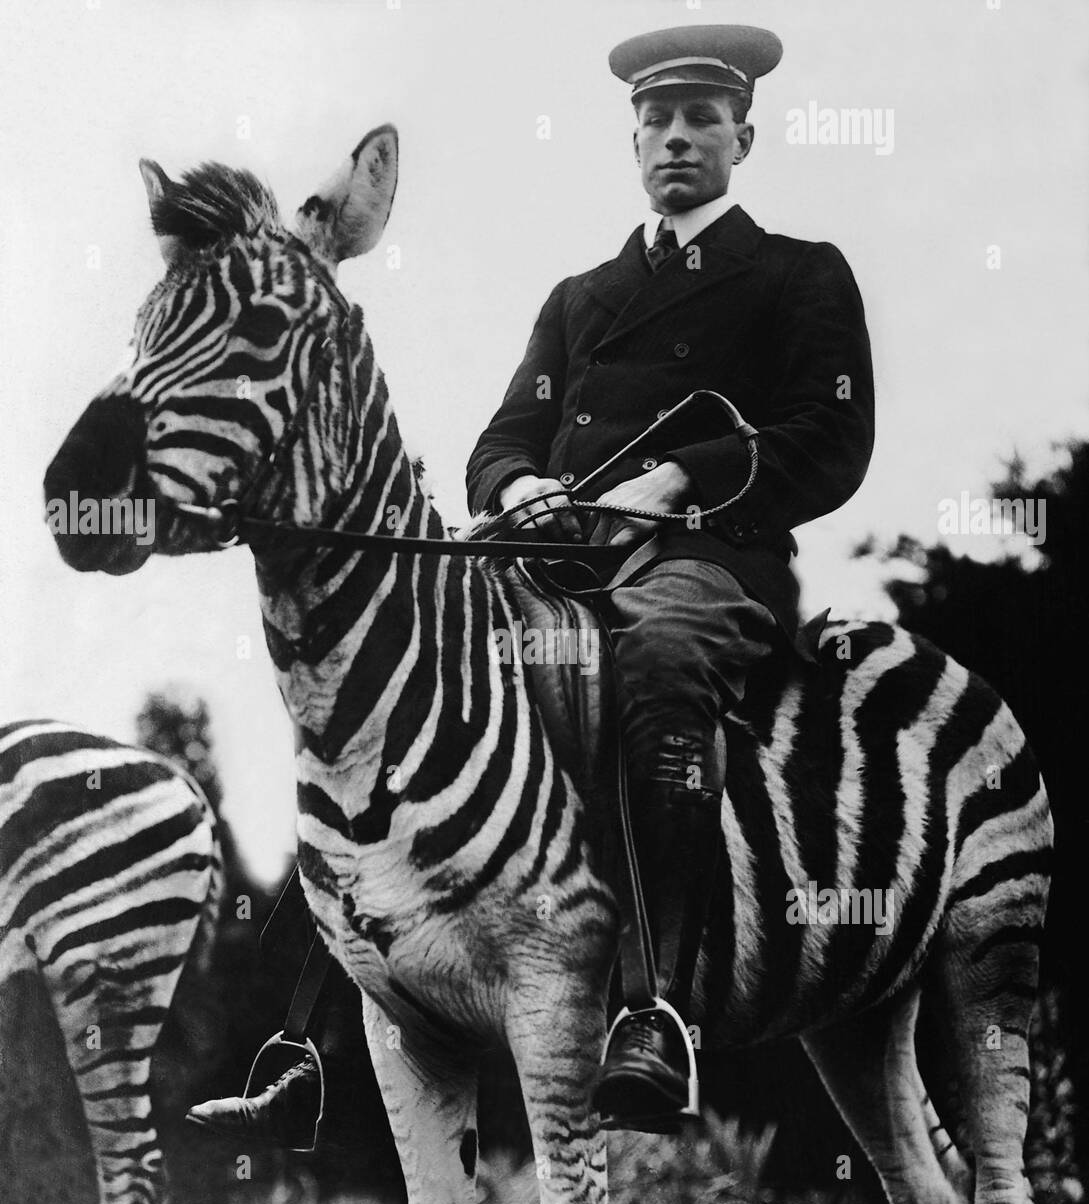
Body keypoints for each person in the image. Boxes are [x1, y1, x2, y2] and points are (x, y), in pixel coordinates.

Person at [187, 22, 874, 1142]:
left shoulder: (799, 274)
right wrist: (518, 495)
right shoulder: (583, 296)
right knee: (393, 680)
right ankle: (302, 1037)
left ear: (744, 135)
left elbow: (831, 438)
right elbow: (502, 442)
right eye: (655, 120)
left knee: (653, 670)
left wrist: (674, 483)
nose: (676, 139)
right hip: (556, 558)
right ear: (633, 140)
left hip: (706, 560)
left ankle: (651, 1009)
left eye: (701, 119)